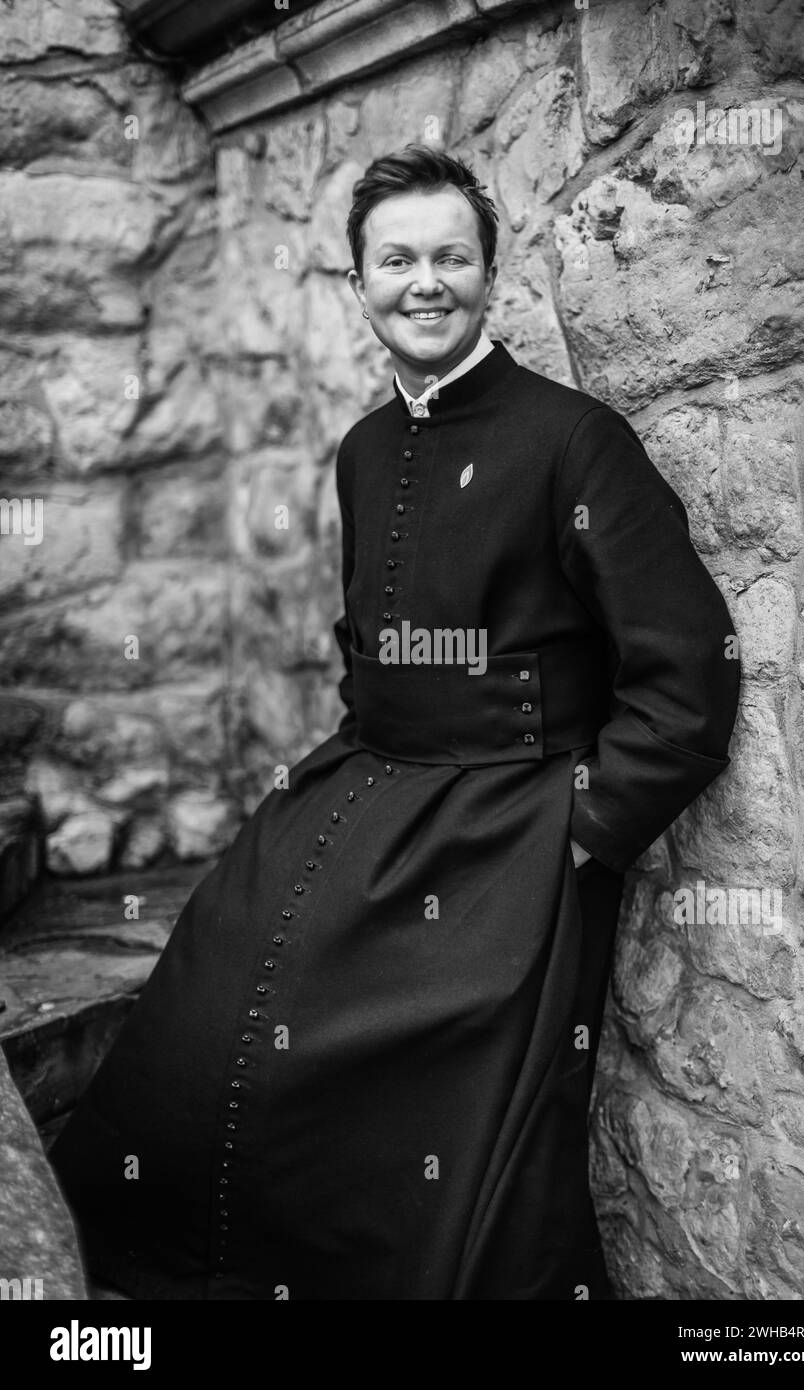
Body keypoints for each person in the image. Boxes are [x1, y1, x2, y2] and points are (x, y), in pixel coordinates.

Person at [49, 143, 741, 1301]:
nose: (426, 282)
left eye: (449, 258)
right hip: (367, 777)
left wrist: (578, 831)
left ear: (488, 272)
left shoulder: (575, 440)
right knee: (212, 990)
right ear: (359, 282)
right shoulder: (362, 450)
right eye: (397, 260)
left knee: (428, 1107)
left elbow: (688, 678)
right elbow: (364, 642)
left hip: (511, 824)